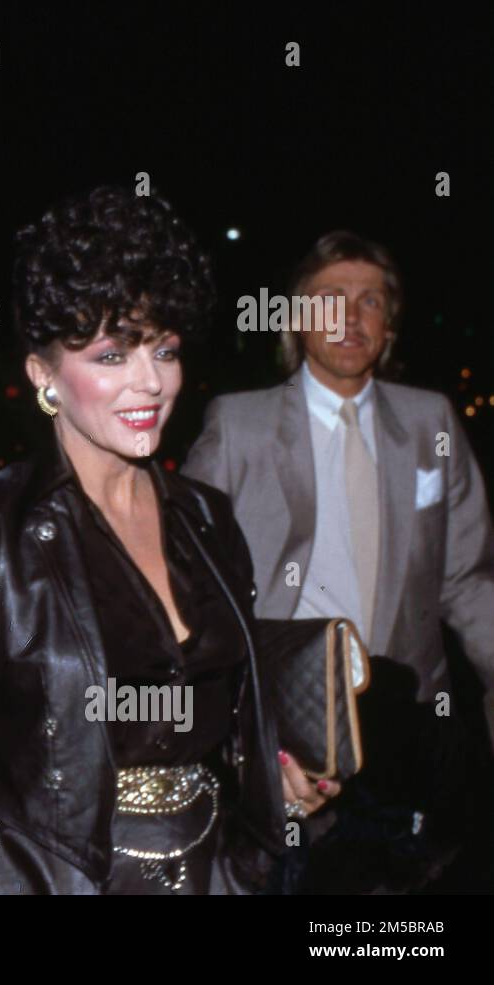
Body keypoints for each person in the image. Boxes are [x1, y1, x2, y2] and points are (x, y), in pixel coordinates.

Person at [0, 187, 337, 894]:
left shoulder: (207, 521)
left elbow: (226, 722)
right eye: (111, 355)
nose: (150, 382)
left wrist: (273, 775)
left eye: (163, 350)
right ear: (44, 375)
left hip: (216, 875)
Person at [183, 231, 494, 891]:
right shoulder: (239, 425)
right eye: (329, 300)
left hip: (409, 730)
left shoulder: (432, 419)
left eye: (370, 302)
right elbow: (193, 588)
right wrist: (232, 729)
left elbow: (467, 579)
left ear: (389, 325)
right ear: (296, 318)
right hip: (288, 741)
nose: (350, 318)